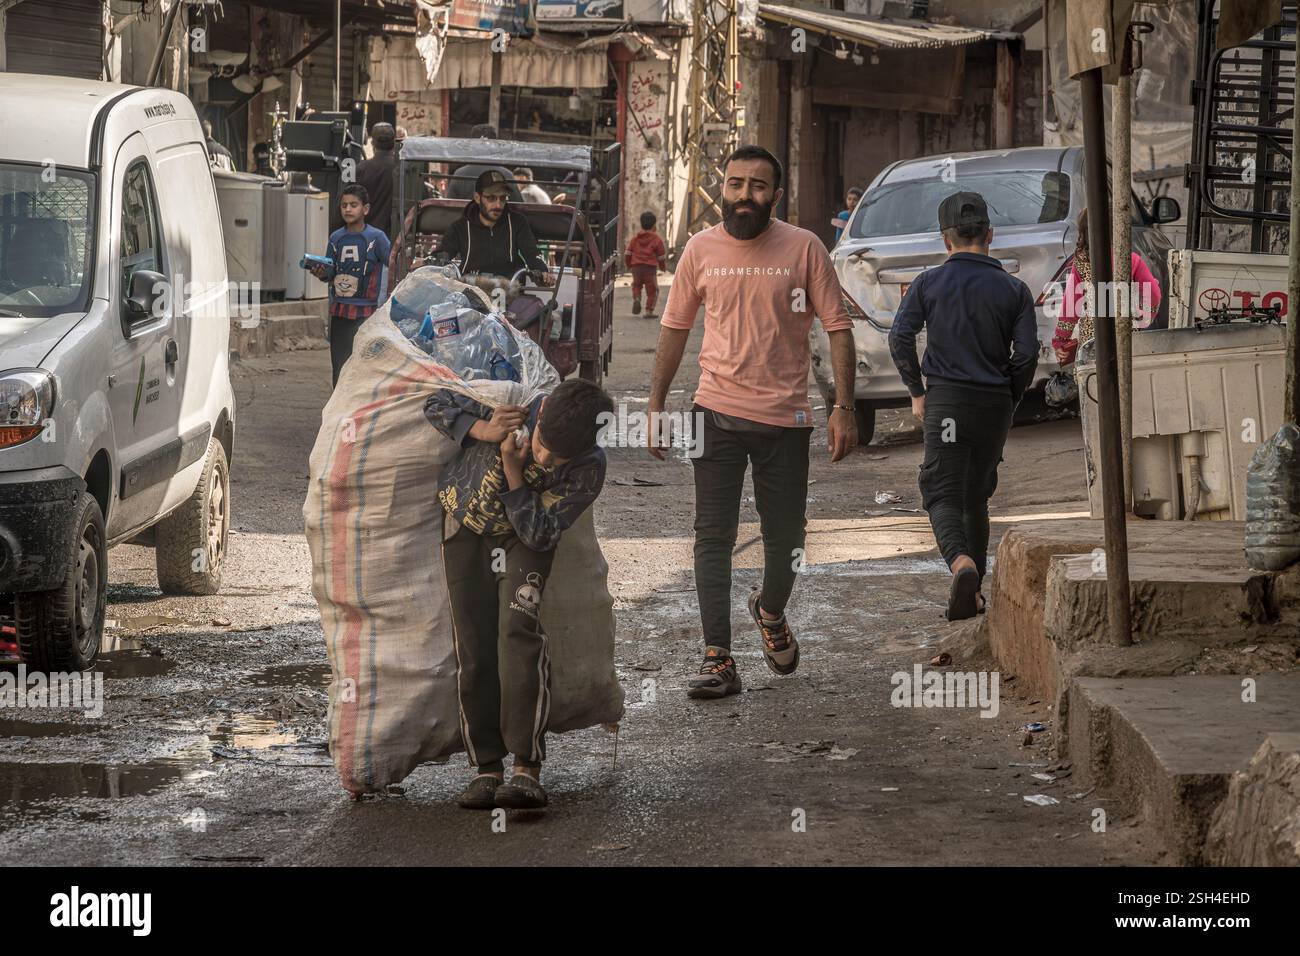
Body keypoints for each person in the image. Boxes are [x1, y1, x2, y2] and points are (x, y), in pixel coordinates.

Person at [648, 144, 858, 700]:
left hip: (785, 421)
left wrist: (843, 406)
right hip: (713, 412)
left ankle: (770, 611)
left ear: (776, 195)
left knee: (787, 537)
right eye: (736, 184)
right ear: (723, 188)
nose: (745, 196)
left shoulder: (805, 248)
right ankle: (718, 658)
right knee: (711, 537)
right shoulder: (699, 250)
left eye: (757, 187)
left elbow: (837, 327)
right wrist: (655, 404)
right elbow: (674, 329)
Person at [424, 377, 615, 810]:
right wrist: (481, 429)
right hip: (465, 529)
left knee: (517, 635)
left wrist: (514, 470)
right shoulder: (518, 404)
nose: (543, 457)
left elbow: (540, 533)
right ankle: (486, 767)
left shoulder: (588, 468)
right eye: (543, 444)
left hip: (522, 540)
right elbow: (435, 401)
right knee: (472, 642)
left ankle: (526, 768)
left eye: (555, 457)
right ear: (541, 413)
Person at [888, 191, 1039, 621]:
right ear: (989, 235)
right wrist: (1008, 398)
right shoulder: (1014, 289)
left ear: (945, 240)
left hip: (948, 404)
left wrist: (917, 391)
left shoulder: (929, 283)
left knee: (940, 490)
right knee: (975, 495)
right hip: (993, 405)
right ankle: (974, 595)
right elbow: (1026, 355)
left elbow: (900, 336)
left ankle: (961, 564)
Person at [1051, 207, 1162, 367]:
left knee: (1093, 383)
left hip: (1093, 342)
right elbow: (1153, 294)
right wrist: (1143, 317)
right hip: (1127, 337)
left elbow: (1070, 307)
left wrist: (1060, 341)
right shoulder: (1131, 260)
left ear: (1084, 232)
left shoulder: (1082, 264)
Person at [309, 184, 391, 386]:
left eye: (353, 205)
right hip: (339, 313)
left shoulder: (377, 238)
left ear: (366, 209)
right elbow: (330, 272)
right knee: (340, 368)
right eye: (344, 205)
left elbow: (393, 265)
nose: (347, 209)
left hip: (368, 313)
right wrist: (321, 272)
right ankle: (338, 415)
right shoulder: (336, 238)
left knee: (366, 367)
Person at [438, 169, 554, 285]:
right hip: (471, 292)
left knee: (533, 303)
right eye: (491, 198)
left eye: (502, 198)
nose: (498, 205)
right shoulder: (460, 226)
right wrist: (432, 261)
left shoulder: (518, 222)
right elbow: (443, 253)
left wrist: (542, 271)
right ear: (477, 198)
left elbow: (532, 253)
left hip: (511, 291)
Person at [445, 124, 524, 202]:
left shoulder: (460, 174)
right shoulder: (507, 175)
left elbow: (449, 208)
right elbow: (519, 207)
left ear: (471, 145)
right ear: (496, 145)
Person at [354, 122, 397, 241]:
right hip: (396, 242)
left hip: (364, 239)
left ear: (372, 143)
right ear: (394, 143)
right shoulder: (405, 171)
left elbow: (344, 203)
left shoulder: (360, 169)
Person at [625, 210, 667, 317]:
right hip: (650, 268)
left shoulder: (635, 239)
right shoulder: (657, 239)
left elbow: (628, 253)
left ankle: (637, 298)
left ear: (641, 223)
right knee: (653, 290)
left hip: (636, 267)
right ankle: (649, 311)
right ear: (654, 224)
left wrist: (629, 265)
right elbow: (661, 256)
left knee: (636, 285)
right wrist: (663, 268)